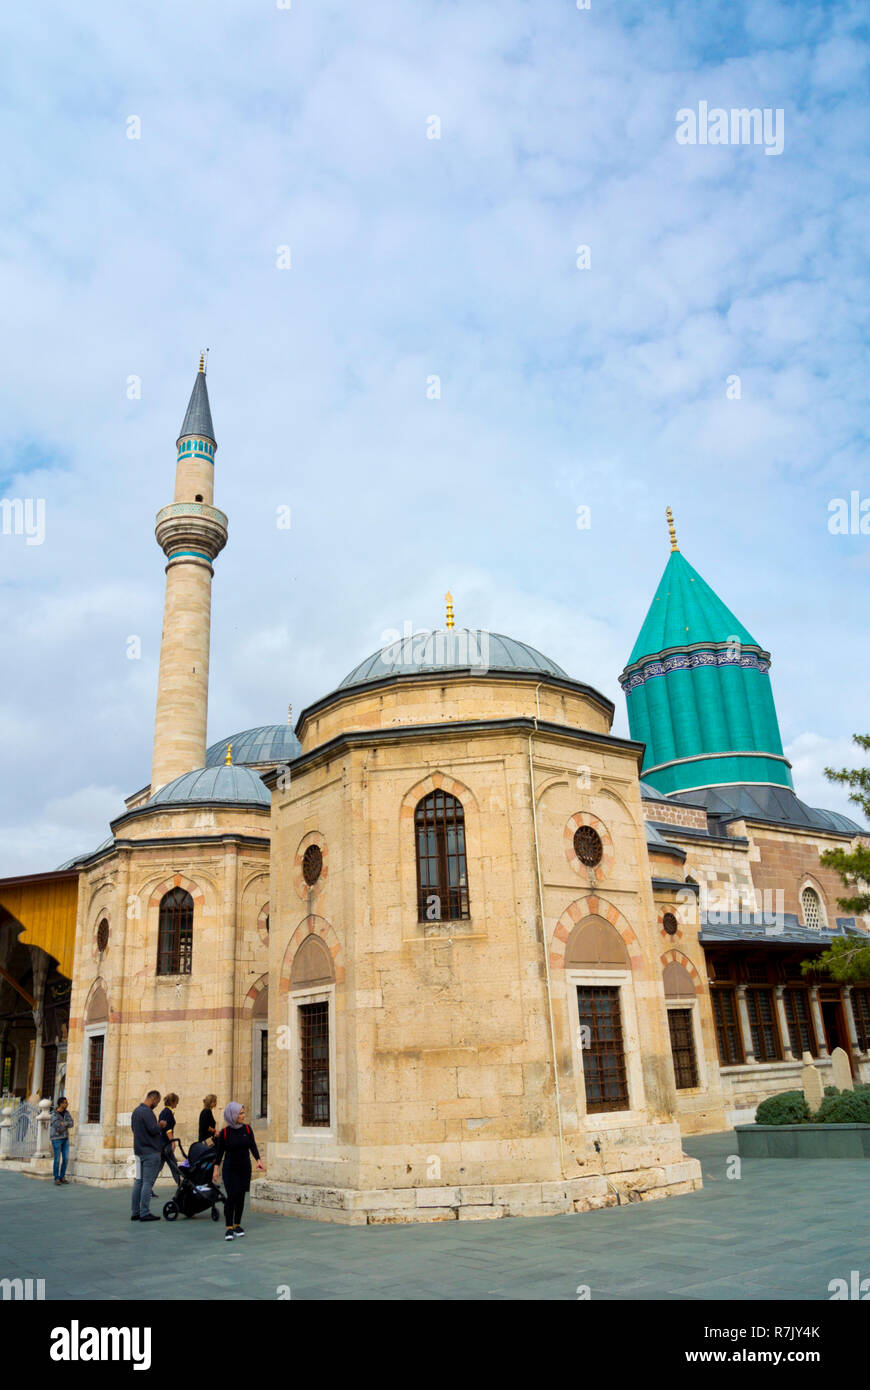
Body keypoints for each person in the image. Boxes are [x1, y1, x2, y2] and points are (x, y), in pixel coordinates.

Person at [212, 1102, 264, 1240]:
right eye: (240, 1113)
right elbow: (219, 1154)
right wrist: (215, 1170)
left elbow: (252, 1145)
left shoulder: (247, 1129)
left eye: (243, 1113)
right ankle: (229, 1227)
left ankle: (237, 1224)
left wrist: (258, 1160)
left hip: (244, 1167)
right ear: (233, 1115)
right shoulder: (225, 1133)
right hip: (230, 1168)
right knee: (232, 1196)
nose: (243, 1115)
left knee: (241, 1196)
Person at [130, 1089, 166, 1222]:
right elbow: (153, 1129)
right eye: (157, 1102)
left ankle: (135, 1212)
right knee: (147, 1183)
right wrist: (161, 1125)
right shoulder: (147, 1112)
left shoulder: (136, 1112)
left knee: (138, 1181)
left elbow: (134, 1129)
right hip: (150, 1152)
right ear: (153, 1099)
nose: (156, 1105)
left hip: (139, 1151)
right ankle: (144, 1212)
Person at [50, 1097, 74, 1185]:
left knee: (66, 1158)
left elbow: (71, 1123)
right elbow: (58, 1127)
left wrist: (64, 1124)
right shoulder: (54, 1114)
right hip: (56, 1138)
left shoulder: (67, 1113)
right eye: (64, 1103)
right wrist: (64, 1124)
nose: (66, 1104)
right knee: (57, 1159)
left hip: (65, 1138)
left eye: (66, 1103)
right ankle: (56, 1178)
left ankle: (62, 1176)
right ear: (60, 1104)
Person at [158, 1092, 181, 1183]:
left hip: (162, 1143)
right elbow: (167, 1128)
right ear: (173, 1102)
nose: (177, 1104)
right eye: (176, 1102)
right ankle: (180, 1184)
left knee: (159, 1166)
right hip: (166, 1143)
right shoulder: (167, 1112)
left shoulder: (165, 1112)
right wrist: (172, 1141)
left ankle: (148, 1186)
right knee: (173, 1164)